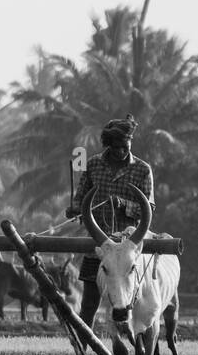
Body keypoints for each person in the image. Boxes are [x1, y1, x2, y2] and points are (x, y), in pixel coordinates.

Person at [65, 114, 155, 330]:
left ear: (130, 142)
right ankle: (83, 352)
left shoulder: (143, 169)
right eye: (116, 147)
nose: (121, 151)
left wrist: (124, 205)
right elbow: (81, 197)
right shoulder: (94, 164)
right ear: (108, 145)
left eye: (125, 145)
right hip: (100, 243)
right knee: (88, 305)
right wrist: (75, 208)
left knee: (136, 304)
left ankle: (141, 351)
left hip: (128, 248)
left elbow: (148, 208)